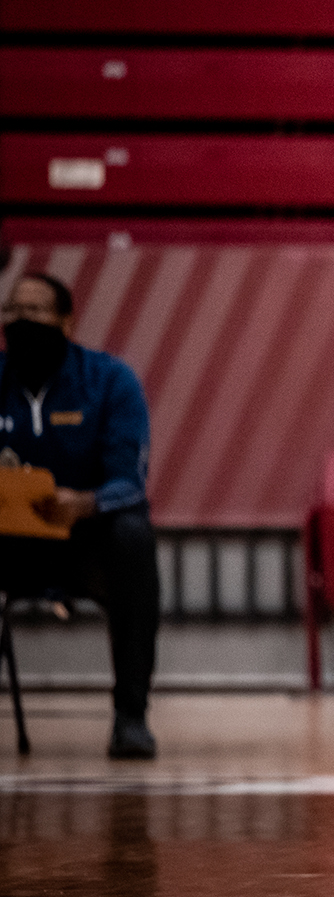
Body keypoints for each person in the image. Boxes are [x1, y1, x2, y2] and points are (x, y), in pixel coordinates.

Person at [0, 271, 159, 759]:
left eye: (33, 311)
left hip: (85, 543)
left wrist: (83, 503)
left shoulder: (110, 381)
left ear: (66, 322)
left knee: (133, 537)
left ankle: (131, 717)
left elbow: (129, 482)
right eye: (11, 311)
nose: (20, 320)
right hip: (9, 542)